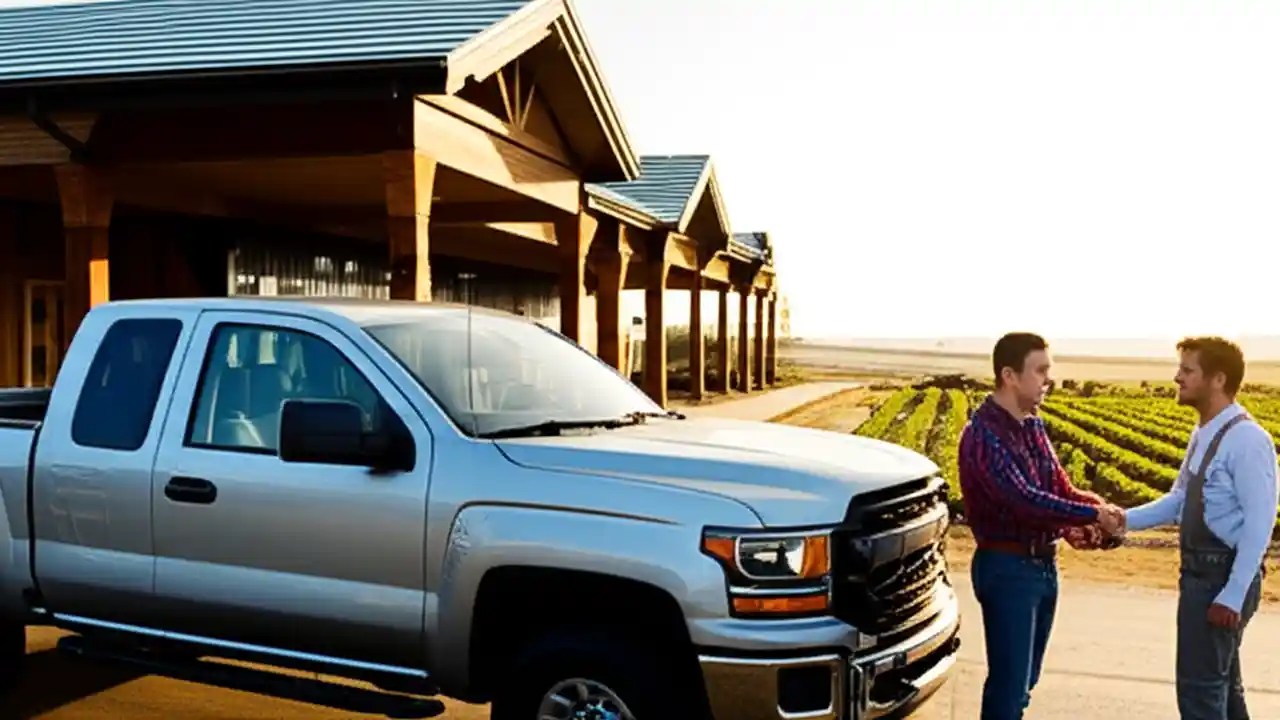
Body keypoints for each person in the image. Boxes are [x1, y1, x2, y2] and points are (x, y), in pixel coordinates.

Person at [958, 332, 1125, 720]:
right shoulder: (982, 436)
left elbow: (1057, 487)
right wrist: (1089, 516)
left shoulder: (1032, 426)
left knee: (1023, 685)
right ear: (1009, 375)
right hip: (1007, 569)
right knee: (1009, 689)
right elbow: (1023, 499)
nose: (1048, 379)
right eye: (1040, 371)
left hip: (1043, 566)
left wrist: (1096, 508)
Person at [1114, 336, 1277, 719]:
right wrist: (1122, 519)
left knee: (1200, 695)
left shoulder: (1248, 440)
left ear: (1218, 379)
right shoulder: (1204, 433)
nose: (1177, 378)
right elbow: (1180, 500)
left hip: (1220, 579)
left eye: (1187, 371)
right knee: (1222, 689)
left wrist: (1233, 594)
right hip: (1201, 576)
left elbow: (1260, 522)